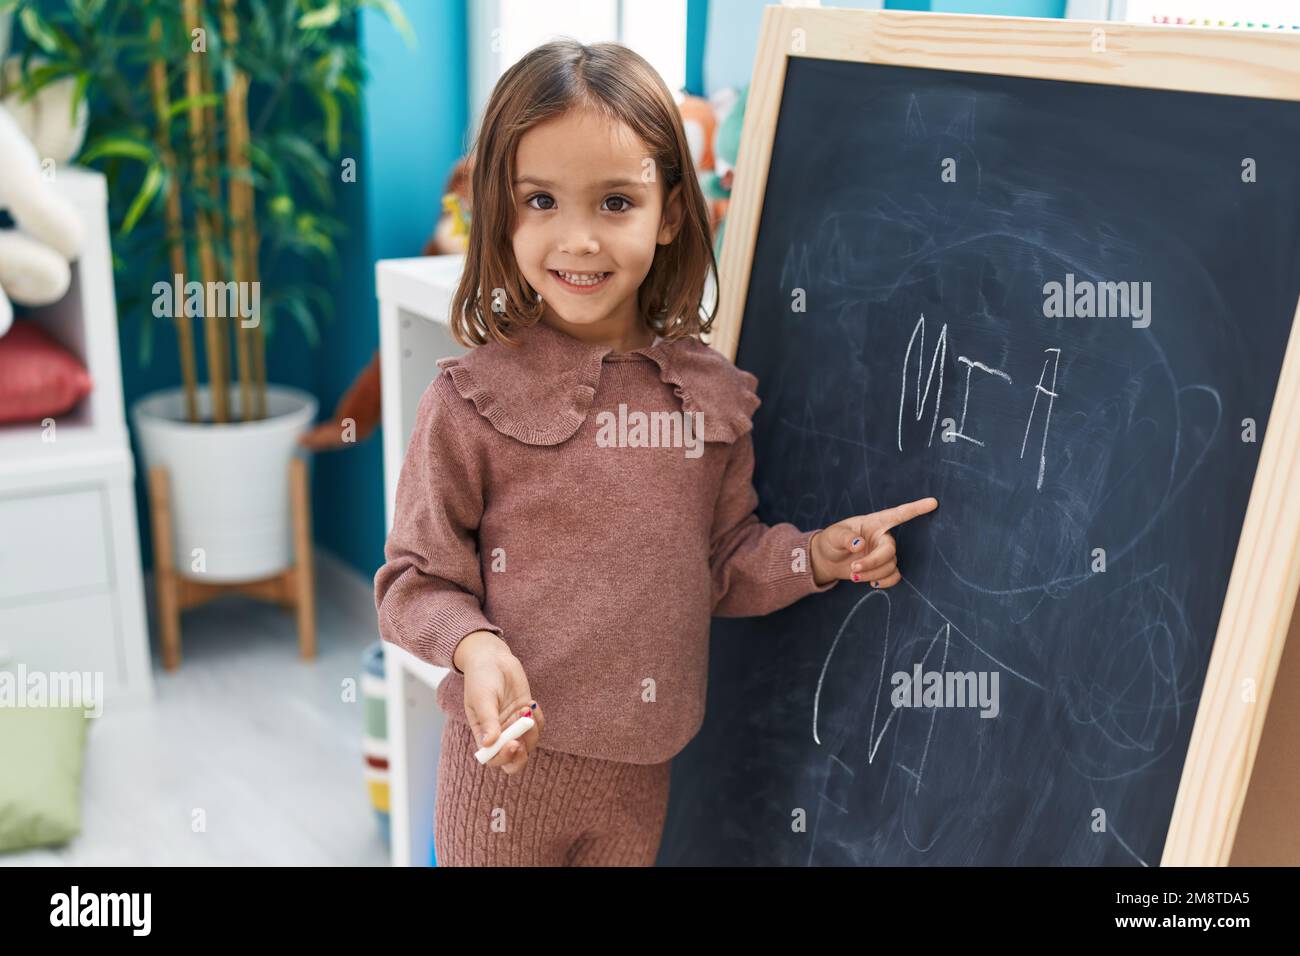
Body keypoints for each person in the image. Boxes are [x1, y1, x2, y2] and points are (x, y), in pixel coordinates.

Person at [373, 39, 938, 867]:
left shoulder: (709, 398)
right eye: (541, 201)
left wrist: (816, 557)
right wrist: (477, 646)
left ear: (670, 211)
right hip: (504, 777)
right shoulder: (468, 401)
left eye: (614, 203)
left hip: (643, 771)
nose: (579, 240)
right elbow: (414, 581)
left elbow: (721, 563)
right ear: (502, 208)